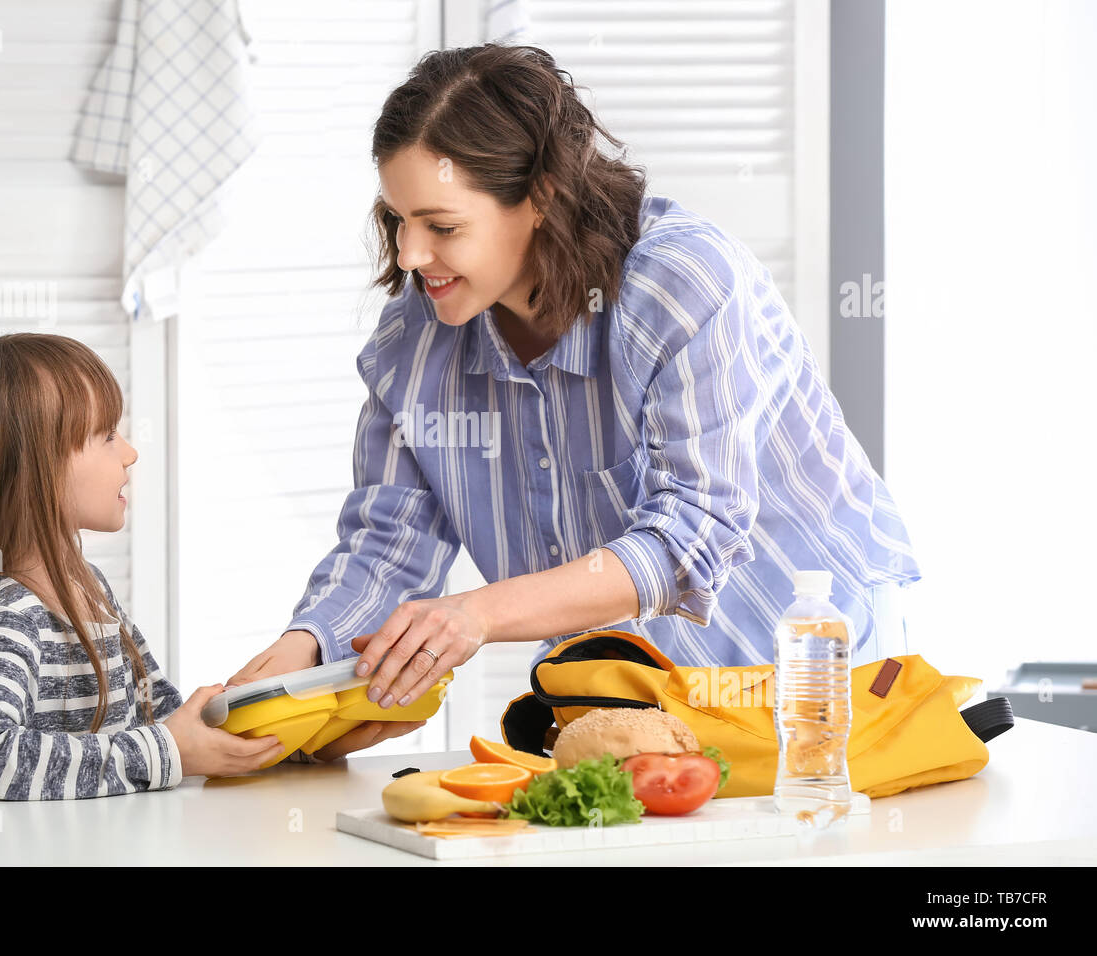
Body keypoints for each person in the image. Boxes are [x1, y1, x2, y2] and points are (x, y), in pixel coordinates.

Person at [228, 43, 922, 762]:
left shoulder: (678, 283)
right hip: (629, 700)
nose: (408, 255)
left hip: (809, 663)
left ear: (541, 197)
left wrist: (476, 614)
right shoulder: (416, 340)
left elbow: (695, 533)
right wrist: (304, 654)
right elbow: (388, 544)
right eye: (398, 219)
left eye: (442, 227)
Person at [0, 333, 281, 799]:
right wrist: (167, 751)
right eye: (106, 436)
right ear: (27, 470)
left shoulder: (89, 586)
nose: (129, 452)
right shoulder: (14, 615)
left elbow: (156, 713)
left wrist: (259, 733)